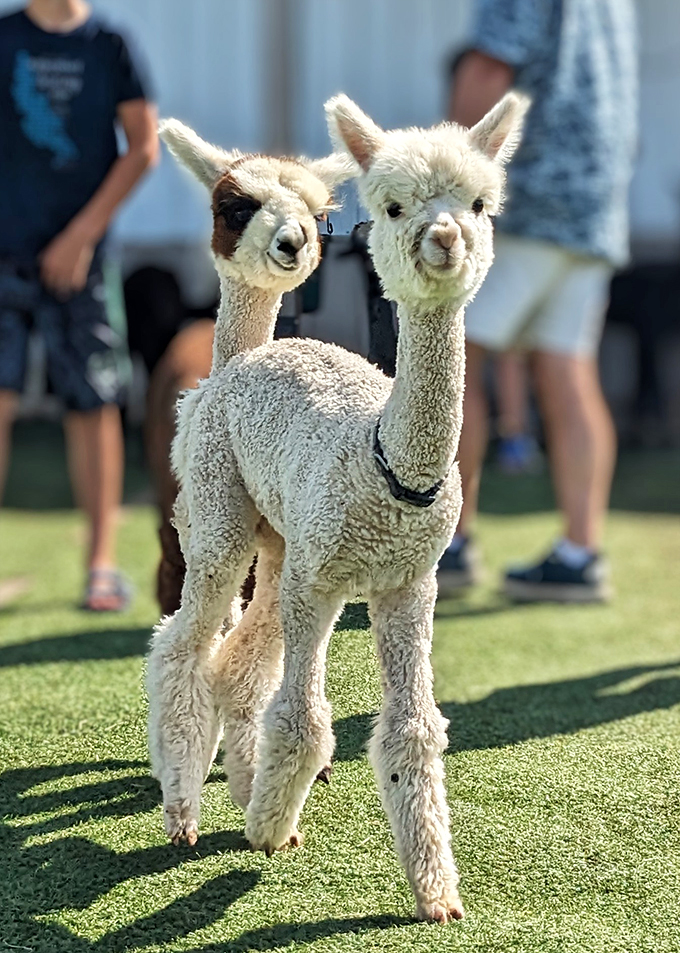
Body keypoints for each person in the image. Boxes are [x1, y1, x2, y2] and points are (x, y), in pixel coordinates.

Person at [438, 0, 637, 602]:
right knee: (568, 367)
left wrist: (443, 180)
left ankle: (446, 545)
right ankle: (580, 553)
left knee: (451, 359)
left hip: (525, 200)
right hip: (595, 204)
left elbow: (490, 70)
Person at [0, 0, 158, 609]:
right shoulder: (6, 37)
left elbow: (142, 147)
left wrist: (79, 236)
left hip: (82, 262)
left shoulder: (109, 44)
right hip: (5, 256)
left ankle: (101, 565)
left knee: (93, 403)